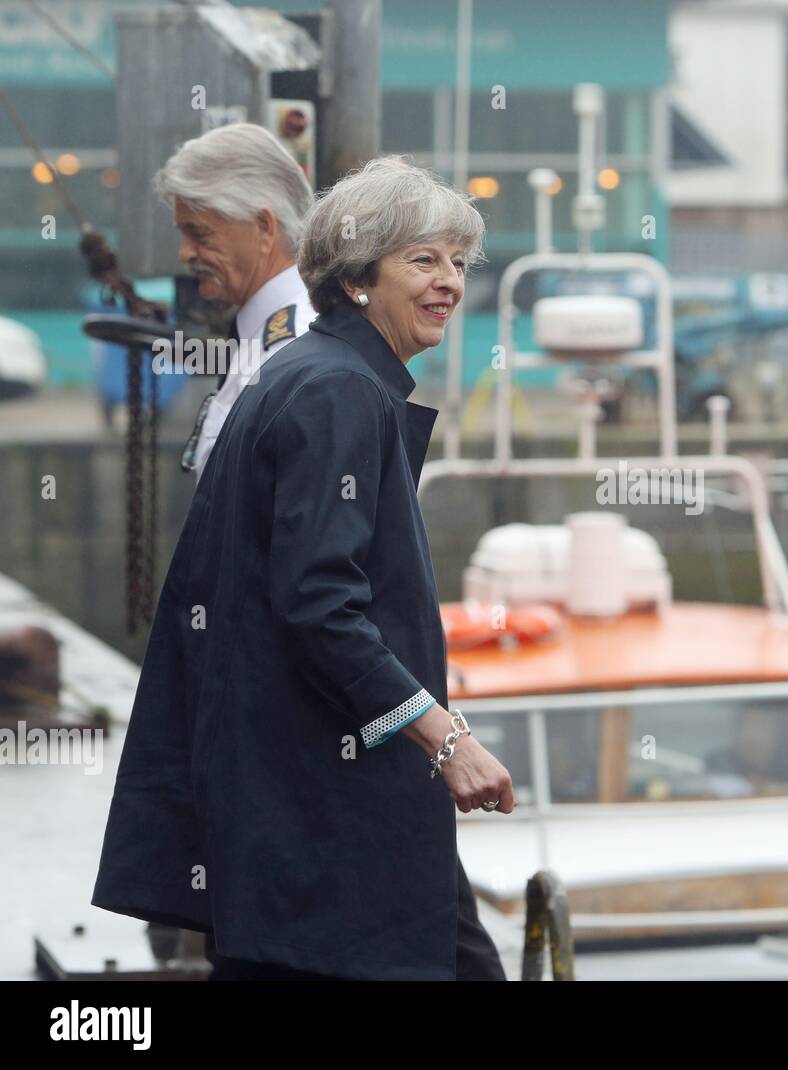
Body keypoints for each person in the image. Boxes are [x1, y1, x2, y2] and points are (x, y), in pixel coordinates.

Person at [93, 156, 514, 981]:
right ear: (357, 278)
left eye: (458, 263)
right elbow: (321, 605)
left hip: (296, 804)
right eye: (423, 260)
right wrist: (447, 739)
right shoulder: (339, 393)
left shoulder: (307, 373)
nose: (449, 283)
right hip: (323, 810)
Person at [152, 123, 318, 481]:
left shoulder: (293, 347)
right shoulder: (268, 337)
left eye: (199, 233)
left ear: (263, 228)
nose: (184, 253)